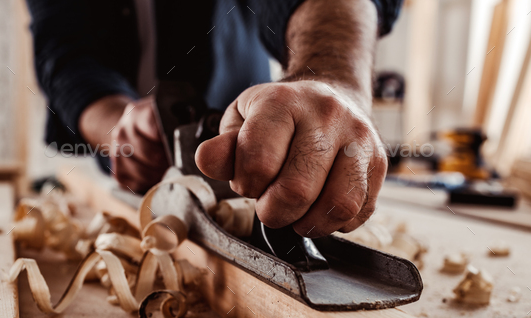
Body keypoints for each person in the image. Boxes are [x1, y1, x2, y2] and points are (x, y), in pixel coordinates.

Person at [26, 0, 403, 238]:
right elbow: (65, 55)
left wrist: (332, 77)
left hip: (248, 155)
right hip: (128, 186)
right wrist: (116, 124)